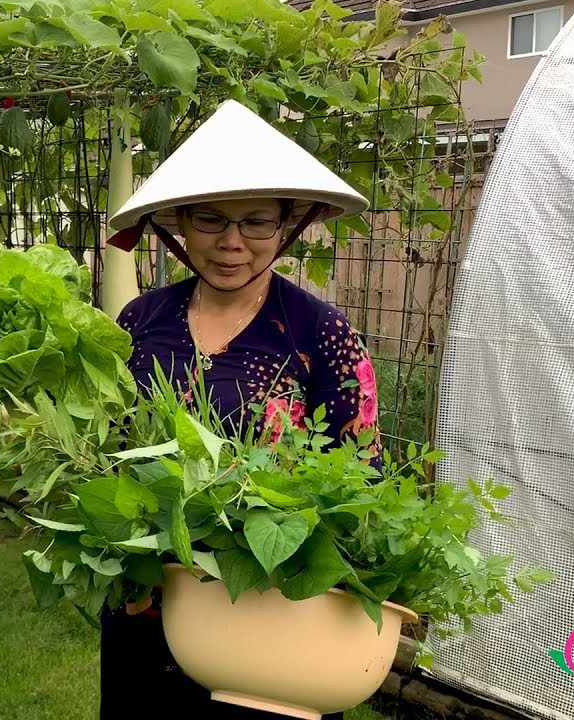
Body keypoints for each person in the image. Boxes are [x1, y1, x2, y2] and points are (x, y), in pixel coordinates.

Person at [100, 99, 383, 719]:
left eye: (257, 223)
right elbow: (113, 454)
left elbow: (361, 479)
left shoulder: (320, 335)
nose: (232, 243)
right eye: (210, 220)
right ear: (179, 223)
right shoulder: (140, 324)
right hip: (151, 599)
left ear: (287, 225)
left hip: (270, 609)